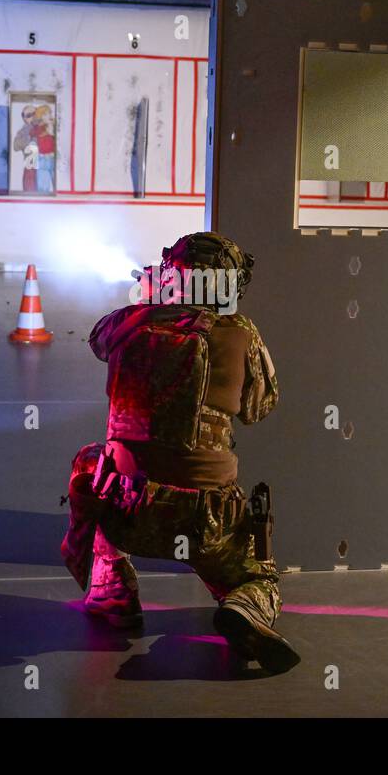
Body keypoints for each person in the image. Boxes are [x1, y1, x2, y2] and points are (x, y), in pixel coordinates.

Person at [61, 232, 299, 673]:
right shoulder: (240, 332)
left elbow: (98, 341)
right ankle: (243, 608)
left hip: (128, 509)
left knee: (92, 464)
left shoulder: (126, 322)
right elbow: (259, 407)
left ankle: (112, 589)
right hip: (205, 518)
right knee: (256, 579)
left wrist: (152, 302)